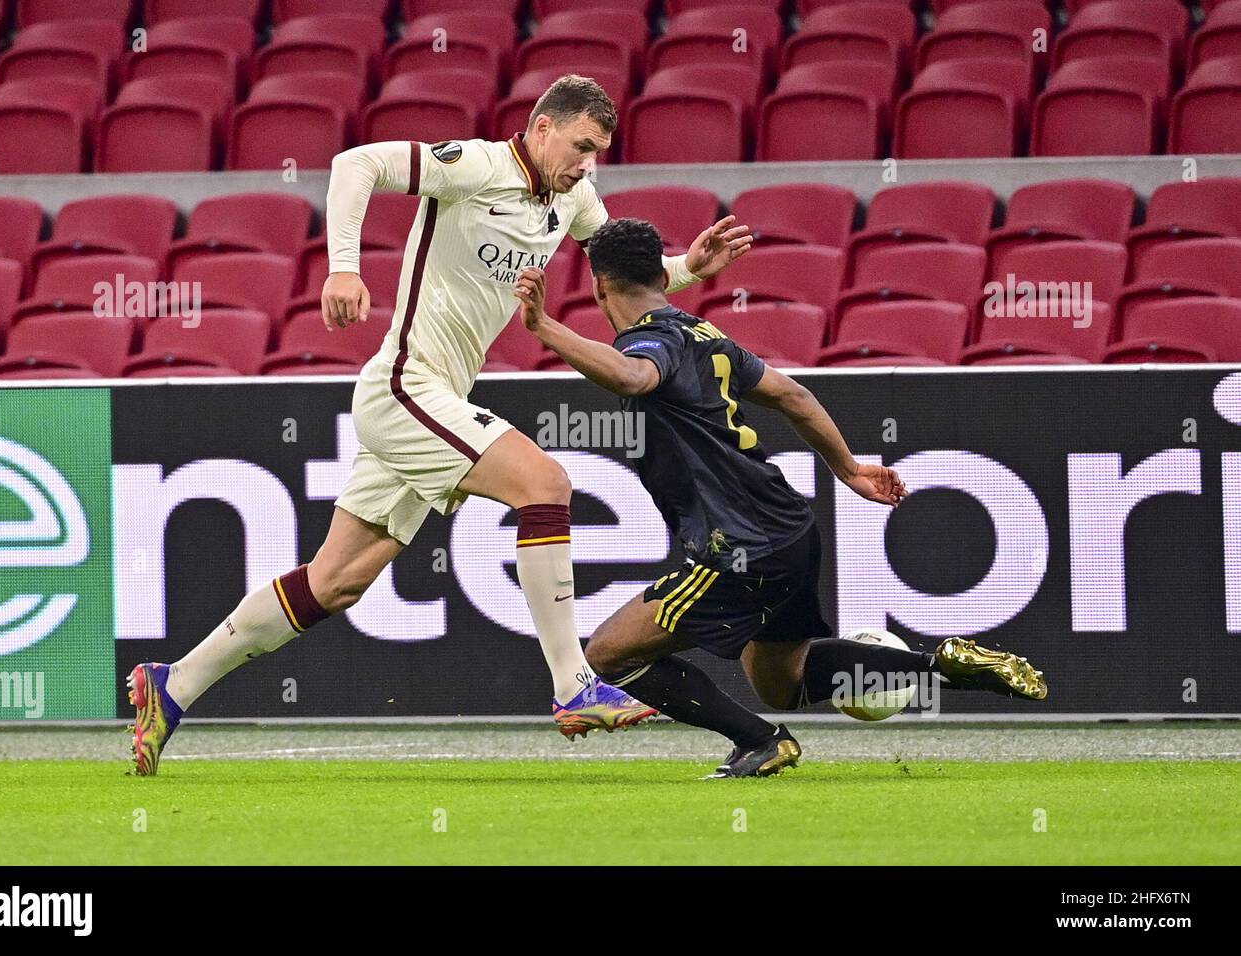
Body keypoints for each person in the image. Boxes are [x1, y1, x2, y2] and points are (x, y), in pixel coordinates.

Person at [127, 75, 754, 776]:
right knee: (545, 483)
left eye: (599, 151)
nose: (587, 163)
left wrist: (687, 271)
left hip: (435, 400)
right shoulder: (478, 167)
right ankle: (574, 685)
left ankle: (172, 684)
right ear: (542, 129)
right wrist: (342, 270)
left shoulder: (572, 198)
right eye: (581, 146)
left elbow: (630, 274)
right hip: (405, 385)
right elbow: (354, 164)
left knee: (336, 582)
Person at [513, 217, 1049, 778]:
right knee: (784, 682)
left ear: (600, 287)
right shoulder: (705, 334)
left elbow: (631, 377)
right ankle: (941, 665)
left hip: (737, 547)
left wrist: (544, 326)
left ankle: (760, 742)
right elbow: (792, 395)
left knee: (606, 655)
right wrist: (848, 468)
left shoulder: (648, 341)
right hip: (790, 531)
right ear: (658, 273)